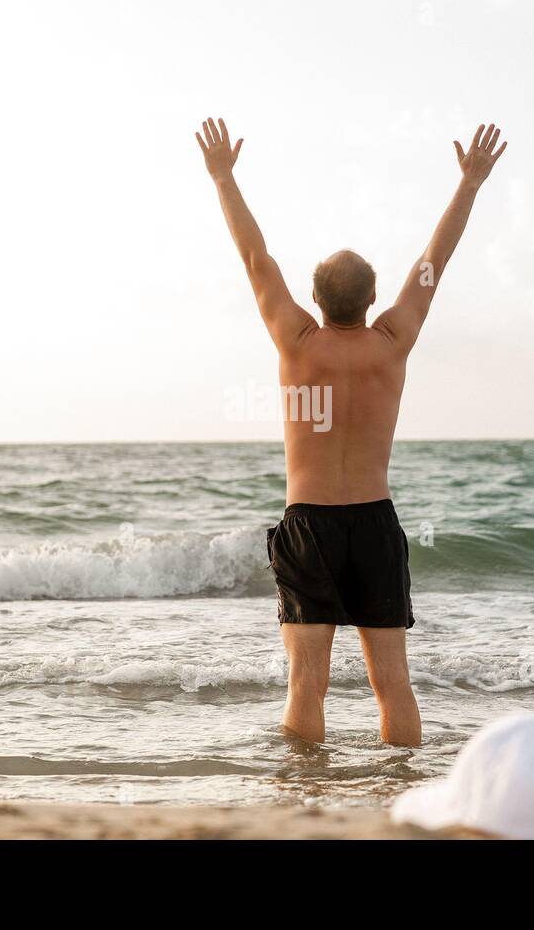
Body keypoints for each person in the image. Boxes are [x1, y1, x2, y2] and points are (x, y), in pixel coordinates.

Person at [196, 117, 508, 746]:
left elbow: (256, 260)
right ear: (372, 301)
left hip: (310, 521)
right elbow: (431, 266)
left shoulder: (296, 339)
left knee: (304, 684)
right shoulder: (391, 344)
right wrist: (469, 186)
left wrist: (224, 177)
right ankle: (400, 794)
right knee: (392, 682)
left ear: (313, 298)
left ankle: (307, 803)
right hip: (373, 523)